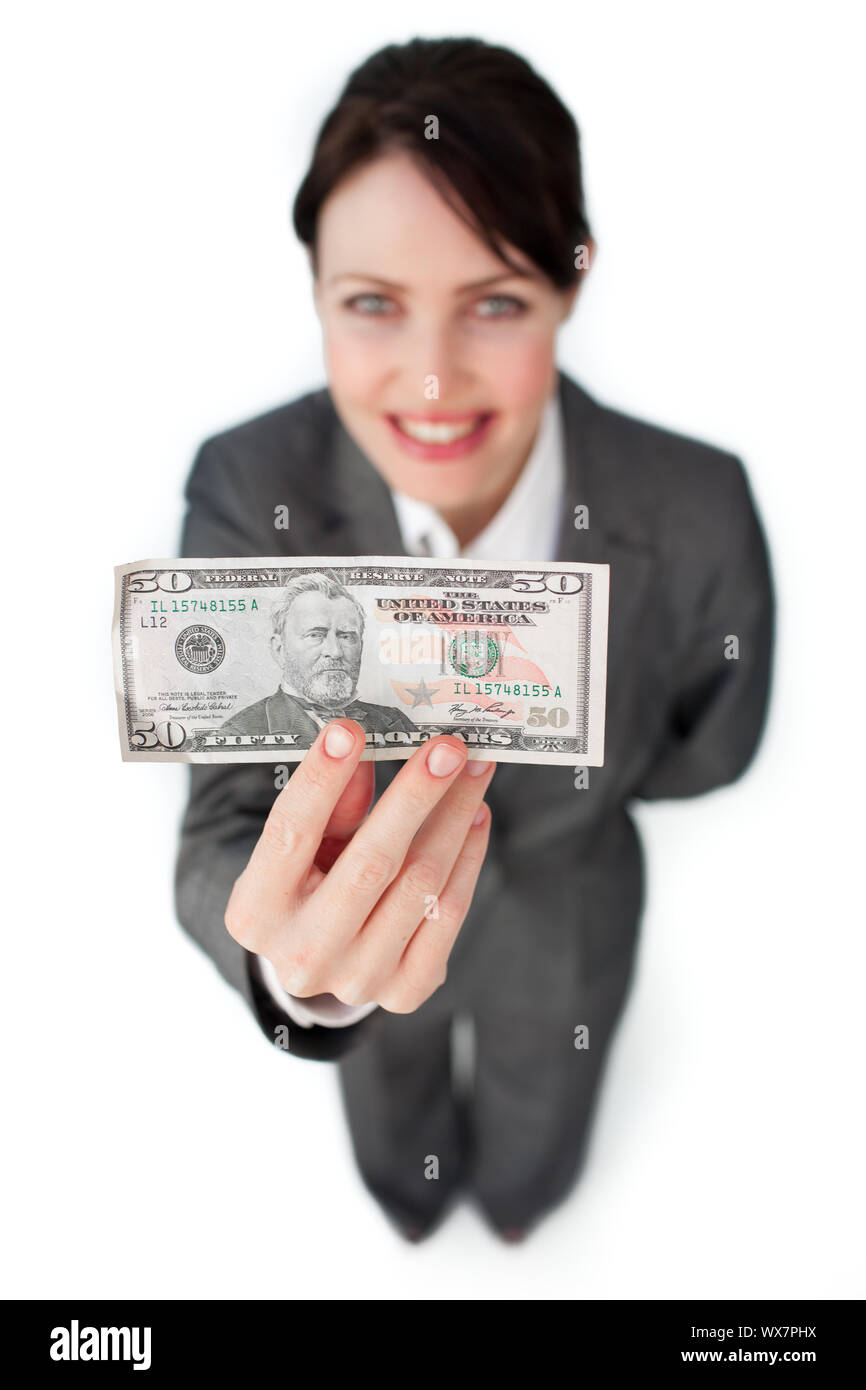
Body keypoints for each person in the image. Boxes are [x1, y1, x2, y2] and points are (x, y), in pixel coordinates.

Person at [174, 36, 775, 1242]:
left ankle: (520, 1212)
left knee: (539, 1127)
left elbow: (714, 741)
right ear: (315, 291)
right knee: (389, 1107)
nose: (433, 381)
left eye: (493, 301)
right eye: (373, 306)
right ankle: (410, 1207)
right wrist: (305, 970)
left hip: (569, 912)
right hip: (359, 939)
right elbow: (224, 807)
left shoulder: (697, 503)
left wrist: (581, 791)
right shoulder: (248, 488)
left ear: (569, 279)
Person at [218, 571, 417, 738]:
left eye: (346, 636)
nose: (335, 651)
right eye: (316, 635)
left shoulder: (396, 722)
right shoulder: (238, 732)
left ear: (361, 647)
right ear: (279, 649)